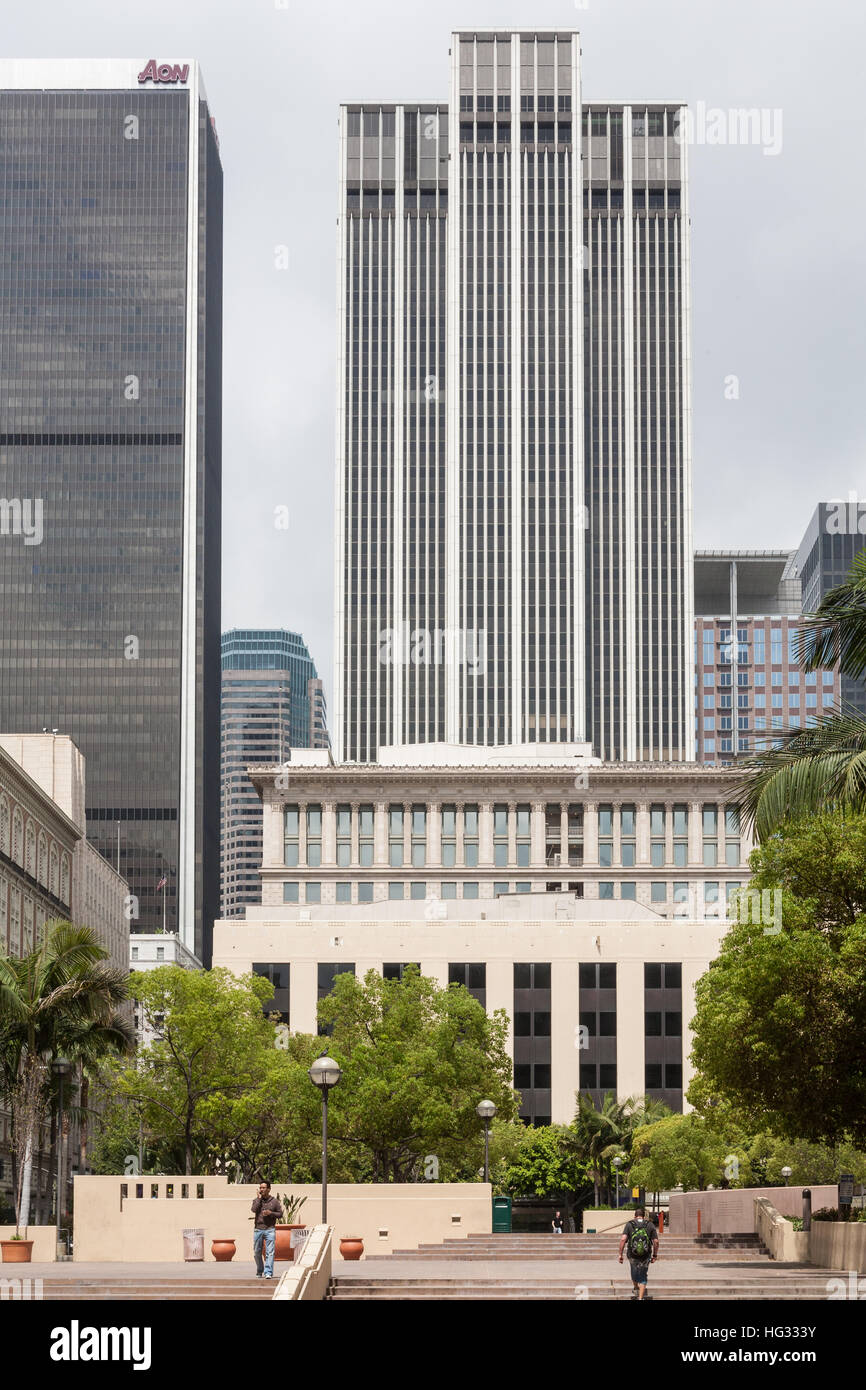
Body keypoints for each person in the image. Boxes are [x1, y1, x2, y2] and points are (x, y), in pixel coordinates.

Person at [618, 1206, 659, 1301]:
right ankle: (640, 1298)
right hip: (646, 1254)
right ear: (644, 1216)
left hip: (632, 1254)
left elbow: (623, 1239)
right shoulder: (650, 1224)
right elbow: (656, 1241)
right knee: (643, 1274)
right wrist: (655, 1255)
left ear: (635, 1216)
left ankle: (636, 1287)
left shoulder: (629, 1224)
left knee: (634, 1271)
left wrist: (620, 1255)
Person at [251, 1180, 282, 1279]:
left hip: (270, 1229)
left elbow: (280, 1214)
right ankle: (260, 1270)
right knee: (257, 1252)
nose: (262, 1189)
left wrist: (271, 1213)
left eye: (264, 1188)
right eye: (260, 1188)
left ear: (269, 1189)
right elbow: (254, 1210)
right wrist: (259, 1199)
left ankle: (268, 1272)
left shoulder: (274, 1201)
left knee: (270, 1252)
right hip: (258, 1229)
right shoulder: (257, 1200)